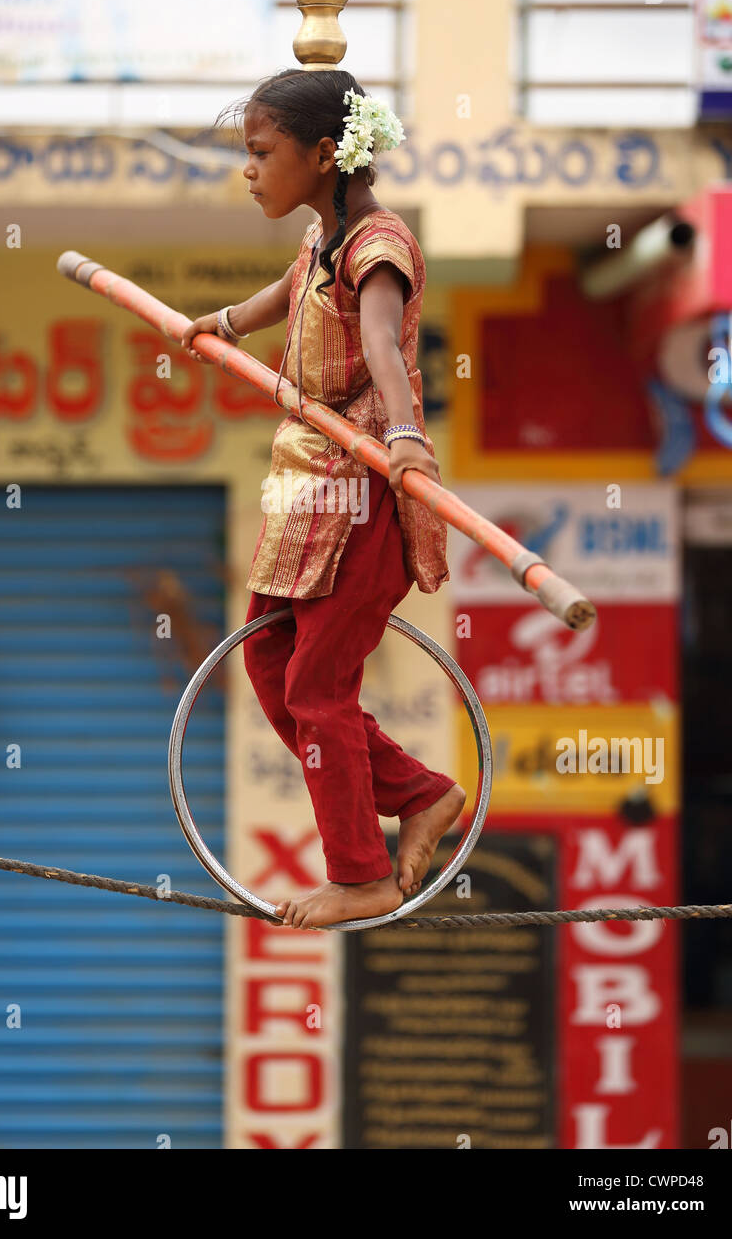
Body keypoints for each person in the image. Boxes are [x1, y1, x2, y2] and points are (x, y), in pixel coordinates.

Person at [180, 68, 465, 927]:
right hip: (307, 489)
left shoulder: (380, 248)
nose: (250, 170)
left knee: (318, 689)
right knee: (272, 668)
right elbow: (287, 294)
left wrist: (407, 434)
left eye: (263, 154)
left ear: (321, 154)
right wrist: (223, 324)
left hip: (366, 492)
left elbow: (380, 343)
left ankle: (361, 873)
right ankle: (419, 796)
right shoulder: (323, 241)